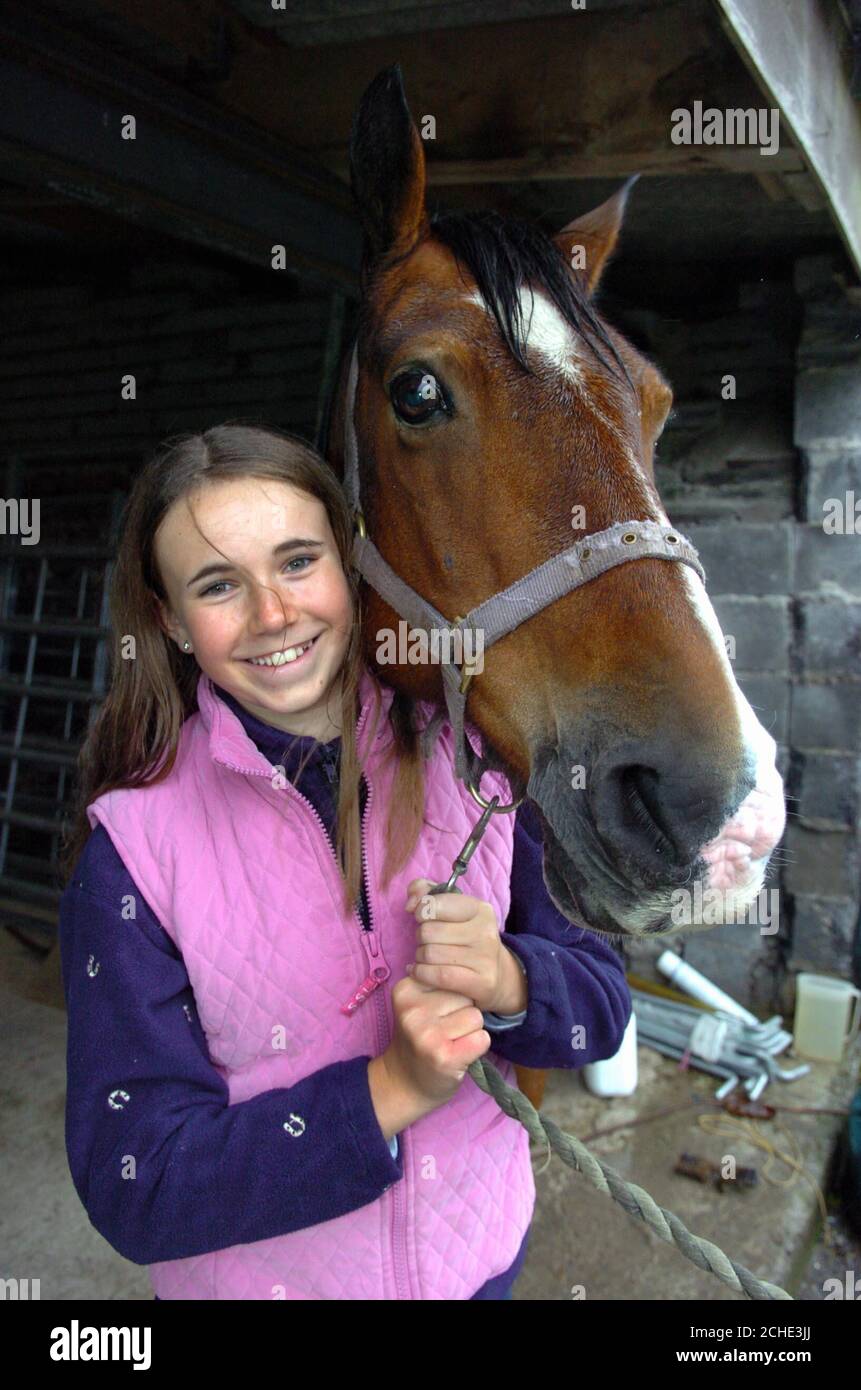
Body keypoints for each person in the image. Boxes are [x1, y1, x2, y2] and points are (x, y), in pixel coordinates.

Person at [58, 423, 632, 1300]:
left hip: (479, 1268)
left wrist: (515, 978)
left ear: (351, 562)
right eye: (219, 585)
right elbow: (135, 1183)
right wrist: (385, 1095)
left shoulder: (481, 758)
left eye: (297, 562)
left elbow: (602, 1011)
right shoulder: (134, 854)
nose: (274, 614)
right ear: (171, 621)